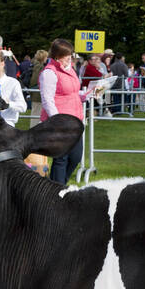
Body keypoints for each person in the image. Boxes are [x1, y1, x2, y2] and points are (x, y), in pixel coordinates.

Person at [39, 37, 89, 183]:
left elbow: (72, 93)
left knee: (75, 157)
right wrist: (58, 121)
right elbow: (47, 100)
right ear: (56, 55)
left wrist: (87, 95)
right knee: (61, 159)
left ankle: (58, 186)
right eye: (65, 55)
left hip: (75, 120)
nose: (69, 58)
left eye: (70, 55)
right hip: (60, 122)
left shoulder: (71, 70)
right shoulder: (49, 73)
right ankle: (58, 190)